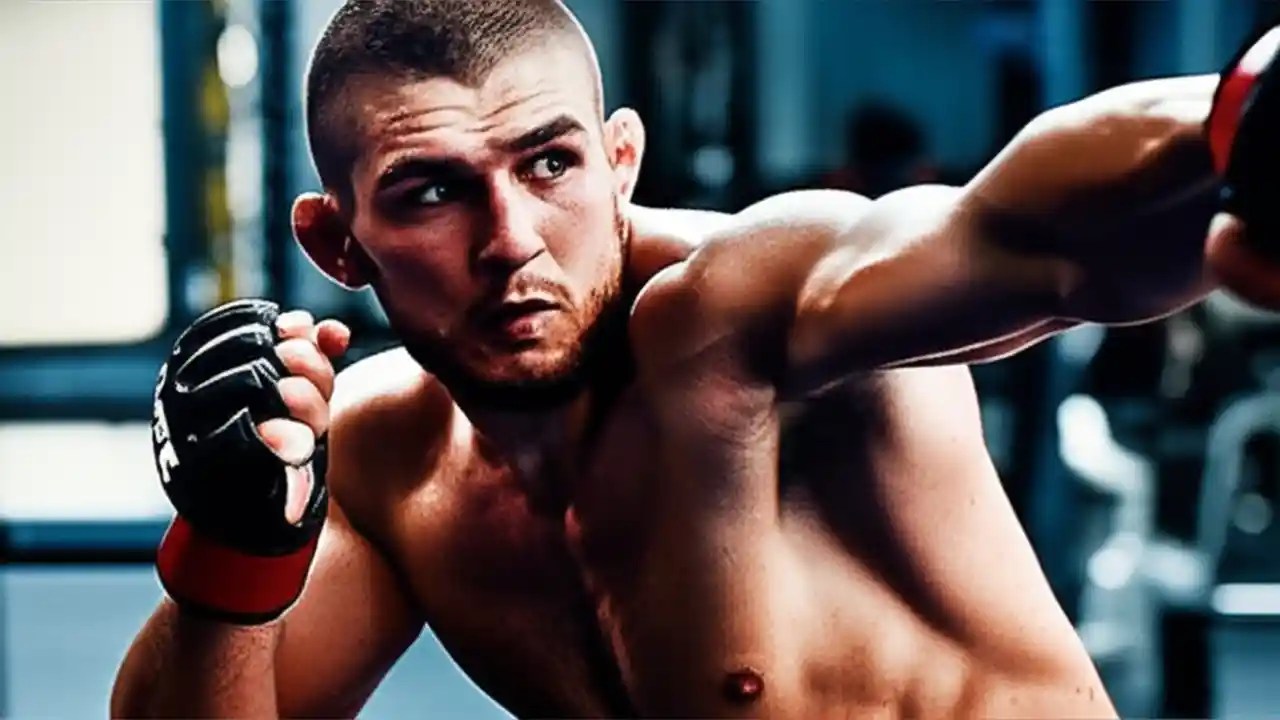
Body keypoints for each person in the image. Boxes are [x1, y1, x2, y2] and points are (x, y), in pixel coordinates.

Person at [111, 1, 1280, 717]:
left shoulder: (742, 314)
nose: (510, 238)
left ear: (620, 161)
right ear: (336, 241)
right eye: (430, 192)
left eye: (550, 165)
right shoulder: (381, 464)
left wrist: (1234, 119)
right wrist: (229, 554)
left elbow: (1024, 240)